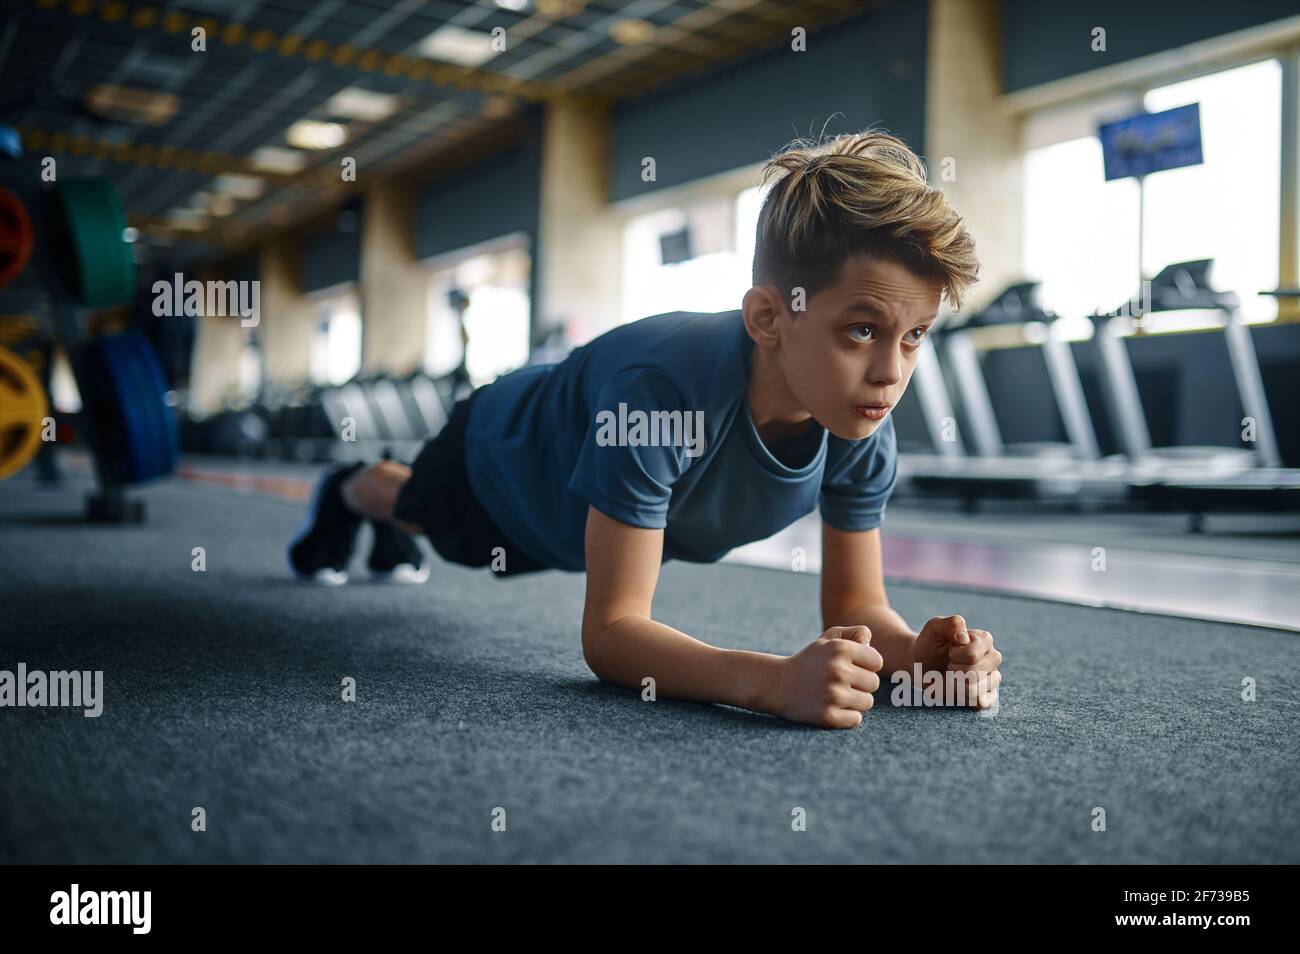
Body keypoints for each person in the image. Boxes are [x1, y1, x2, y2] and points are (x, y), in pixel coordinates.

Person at [288, 130, 1002, 728]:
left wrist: (916, 660)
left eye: (914, 337)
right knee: (420, 516)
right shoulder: (661, 396)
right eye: (861, 330)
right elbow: (611, 636)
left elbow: (855, 608)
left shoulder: (861, 426)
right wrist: (771, 683)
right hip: (502, 467)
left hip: (603, 526)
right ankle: (352, 488)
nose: (890, 372)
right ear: (767, 318)